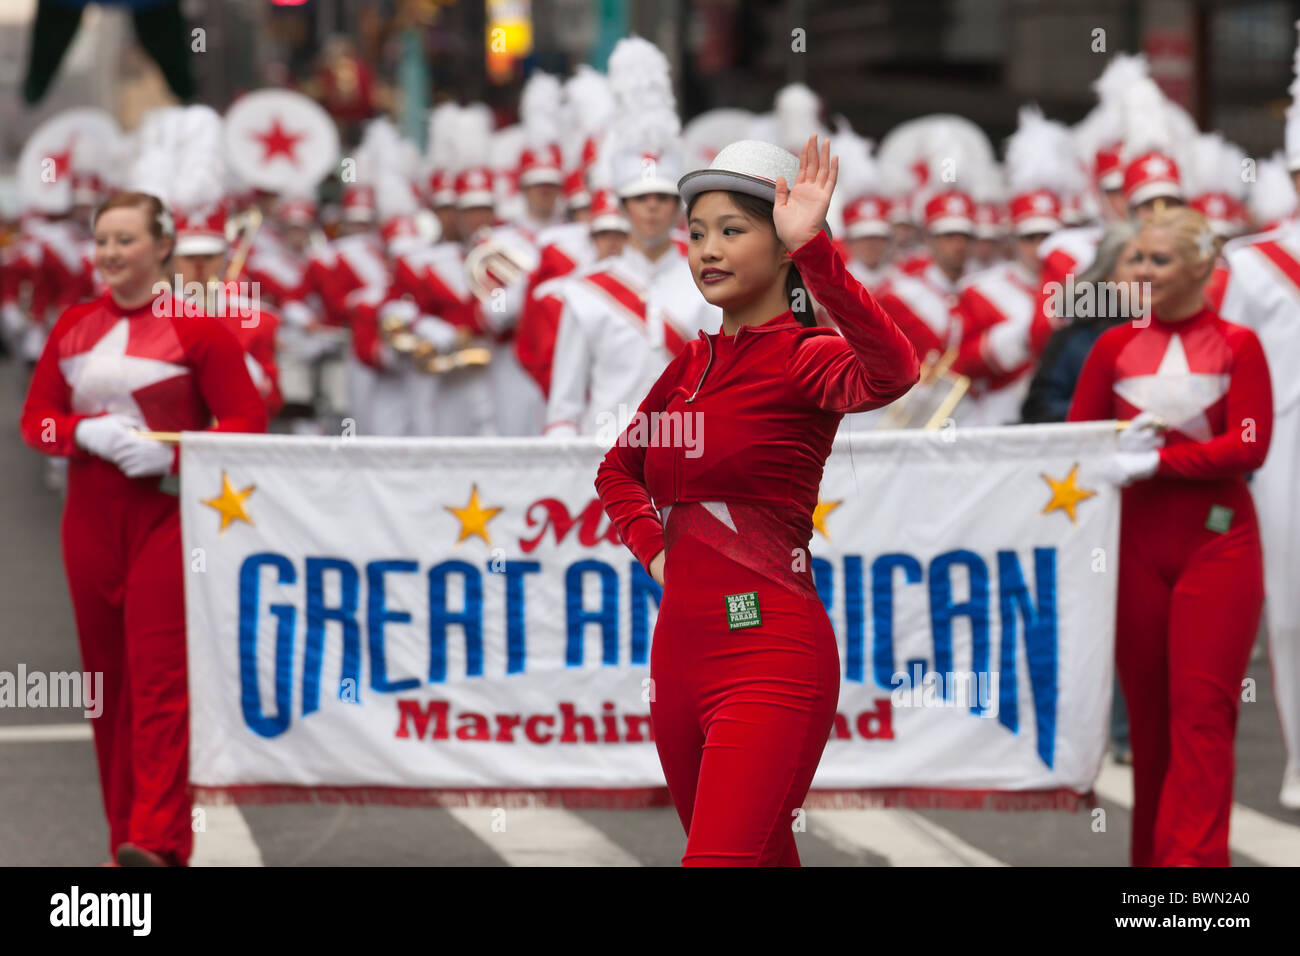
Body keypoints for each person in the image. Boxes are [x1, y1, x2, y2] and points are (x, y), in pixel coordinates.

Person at [595, 136, 920, 865]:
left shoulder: (806, 356)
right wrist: (656, 556)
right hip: (677, 658)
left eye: (732, 231)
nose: (708, 249)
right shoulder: (689, 366)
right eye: (697, 233)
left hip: (770, 652)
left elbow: (895, 372)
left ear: (783, 250)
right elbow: (618, 471)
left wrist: (820, 256)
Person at [19, 191, 267, 866]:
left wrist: (177, 453)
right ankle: (121, 843)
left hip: (166, 515)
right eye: (102, 240)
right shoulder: (74, 325)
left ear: (162, 248)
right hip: (89, 520)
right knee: (106, 688)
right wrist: (83, 433)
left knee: (160, 682)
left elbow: (247, 421)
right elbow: (35, 421)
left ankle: (158, 841)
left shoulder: (198, 329)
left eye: (125, 240)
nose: (110, 253)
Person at [1068, 206, 1272, 866]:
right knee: (1150, 726)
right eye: (1137, 259)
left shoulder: (1238, 344)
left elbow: (1249, 445)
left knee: (1203, 715)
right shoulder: (1112, 347)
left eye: (1160, 260)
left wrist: (1157, 462)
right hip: (1133, 550)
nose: (1144, 271)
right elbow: (1076, 445)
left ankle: (1194, 878)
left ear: (1200, 266)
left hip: (1219, 543)